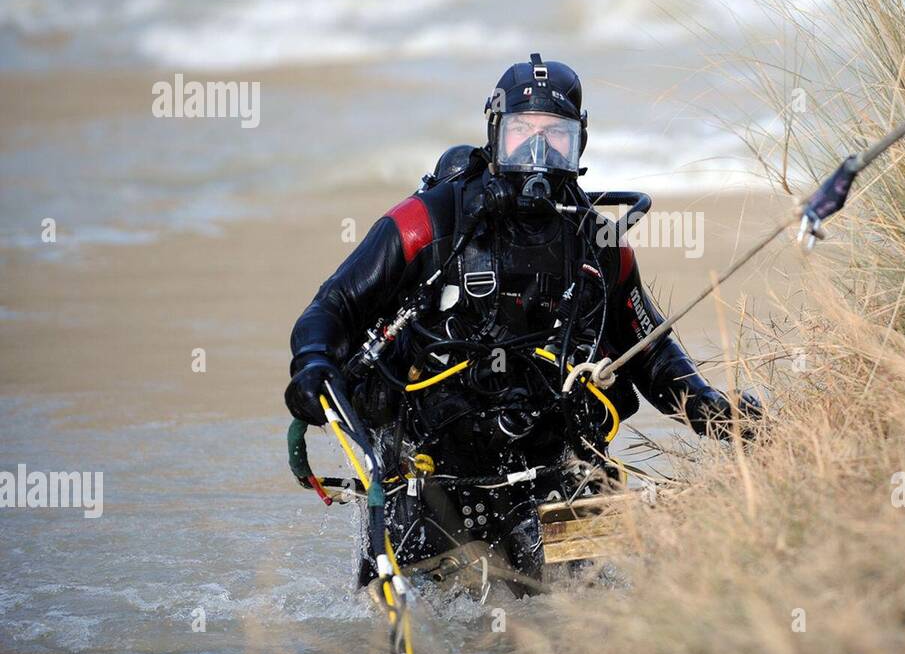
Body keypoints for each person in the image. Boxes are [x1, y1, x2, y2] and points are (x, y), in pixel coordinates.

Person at [284, 53, 760, 584]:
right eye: (522, 133)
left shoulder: (599, 244)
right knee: (409, 614)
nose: (538, 152)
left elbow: (648, 351)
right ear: (494, 135)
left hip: (555, 468)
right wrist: (311, 365)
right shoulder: (428, 222)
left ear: (580, 145)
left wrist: (714, 412)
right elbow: (332, 307)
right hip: (430, 474)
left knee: (597, 603)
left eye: (556, 136)